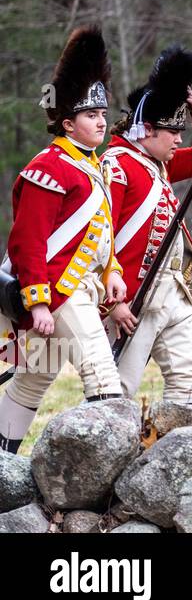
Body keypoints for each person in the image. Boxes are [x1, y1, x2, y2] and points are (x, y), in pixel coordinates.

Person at [0, 27, 125, 451]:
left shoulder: (91, 166)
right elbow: (27, 240)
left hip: (81, 287)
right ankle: (107, 473)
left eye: (103, 113)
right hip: (59, 292)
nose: (101, 121)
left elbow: (100, 233)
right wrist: (37, 301)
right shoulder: (49, 166)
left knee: (32, 381)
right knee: (102, 375)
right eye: (91, 115)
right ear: (68, 123)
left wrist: (111, 271)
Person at [102, 46, 192, 405]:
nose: (179, 139)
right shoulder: (116, 166)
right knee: (117, 390)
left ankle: (176, 441)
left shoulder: (159, 163)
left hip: (172, 291)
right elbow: (99, 241)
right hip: (133, 297)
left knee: (186, 381)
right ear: (148, 129)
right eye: (173, 131)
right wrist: (112, 304)